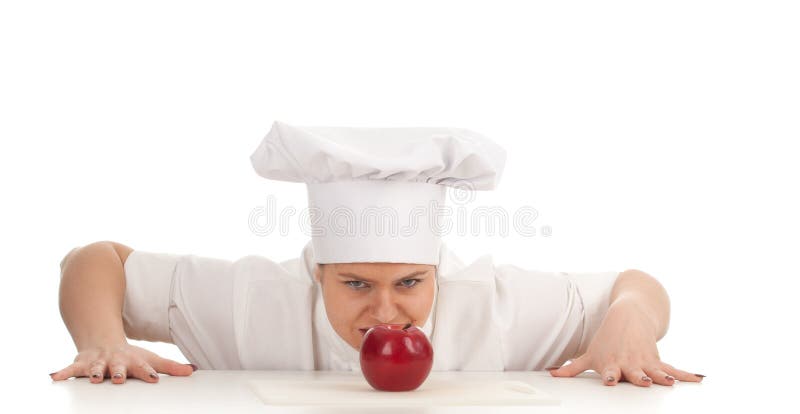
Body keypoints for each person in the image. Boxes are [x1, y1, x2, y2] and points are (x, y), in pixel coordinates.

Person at [51, 122, 705, 387]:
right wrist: (102, 339)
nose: (386, 311)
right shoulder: (254, 302)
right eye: (357, 284)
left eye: (411, 282)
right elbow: (94, 259)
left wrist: (627, 324)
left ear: (438, 272)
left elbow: (637, 286)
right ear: (319, 272)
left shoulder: (494, 309)